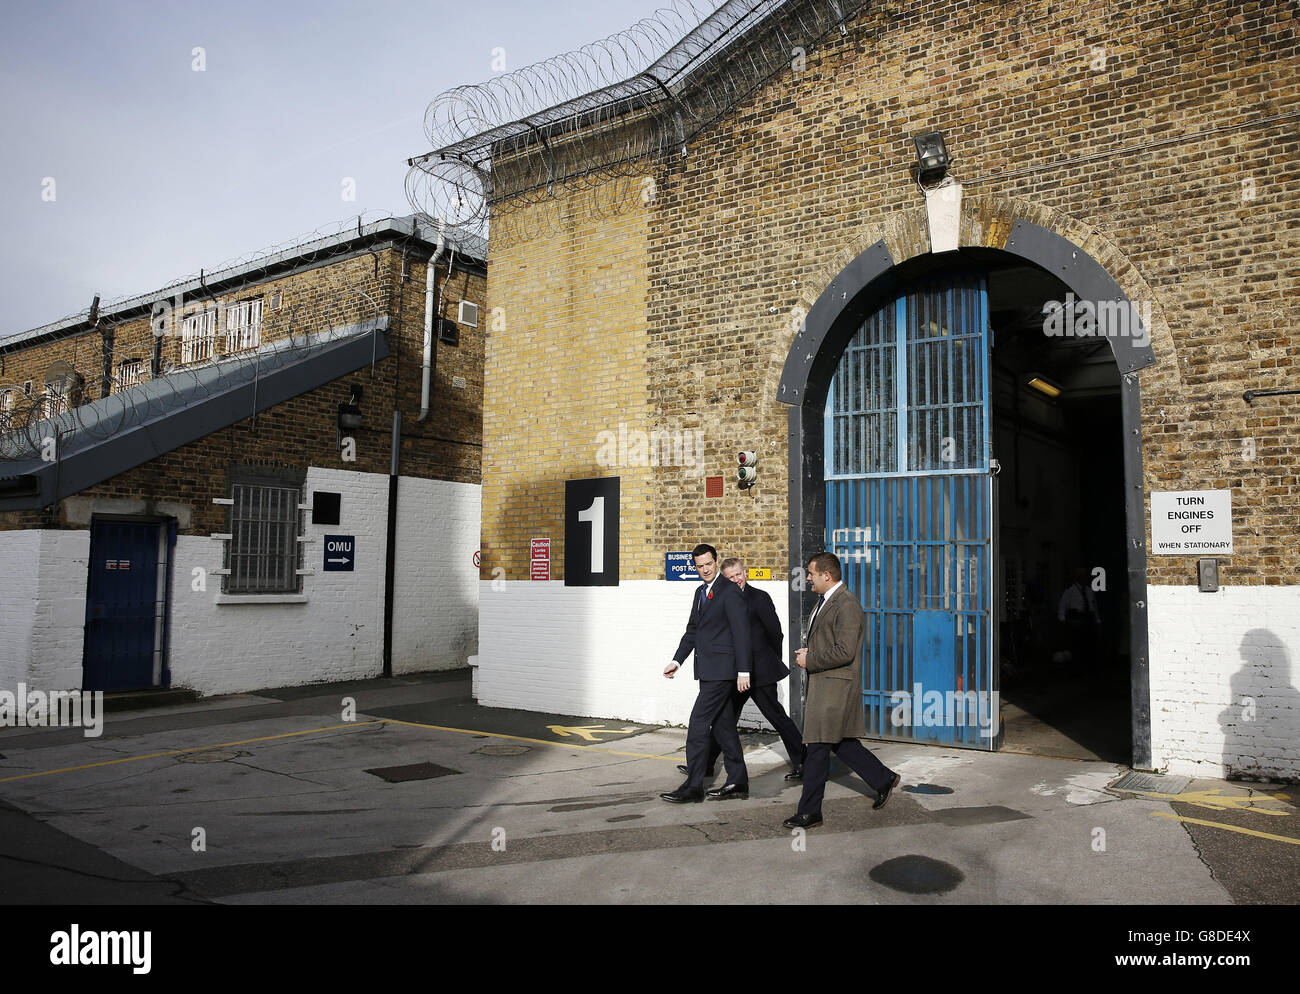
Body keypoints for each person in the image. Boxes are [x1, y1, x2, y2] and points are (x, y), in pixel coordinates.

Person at [784, 552, 900, 829]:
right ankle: (883, 778)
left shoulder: (846, 604)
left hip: (834, 687)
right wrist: (811, 652)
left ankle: (810, 812)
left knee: (817, 748)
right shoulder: (825, 601)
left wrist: (809, 660)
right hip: (826, 684)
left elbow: (845, 651)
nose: (808, 578)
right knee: (841, 742)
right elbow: (830, 643)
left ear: (827, 575)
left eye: (811, 573)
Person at [676, 557, 805, 784]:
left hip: (761, 672)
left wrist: (770, 661)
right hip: (736, 674)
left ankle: (803, 762)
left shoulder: (759, 597)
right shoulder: (723, 596)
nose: (737, 579)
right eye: (731, 577)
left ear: (745, 573)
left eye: (739, 574)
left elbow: (776, 633)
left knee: (777, 717)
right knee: (723, 719)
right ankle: (705, 766)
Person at [661, 544, 751, 803]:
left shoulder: (729, 591)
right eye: (699, 566)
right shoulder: (700, 592)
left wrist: (743, 670)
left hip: (723, 672)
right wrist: (676, 661)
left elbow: (741, 632)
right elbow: (693, 631)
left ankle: (694, 786)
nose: (705, 570)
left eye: (708, 564)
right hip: (708, 670)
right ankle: (738, 781)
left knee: (699, 724)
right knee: (723, 727)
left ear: (716, 561)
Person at [1057, 567, 1100, 666]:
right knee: (1076, 645)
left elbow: (1094, 606)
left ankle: (1087, 665)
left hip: (1088, 619)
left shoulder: (1089, 591)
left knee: (1088, 645)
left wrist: (1097, 620)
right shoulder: (1070, 591)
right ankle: (1077, 667)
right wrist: (1063, 620)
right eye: (1081, 576)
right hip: (1076, 620)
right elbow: (1062, 606)